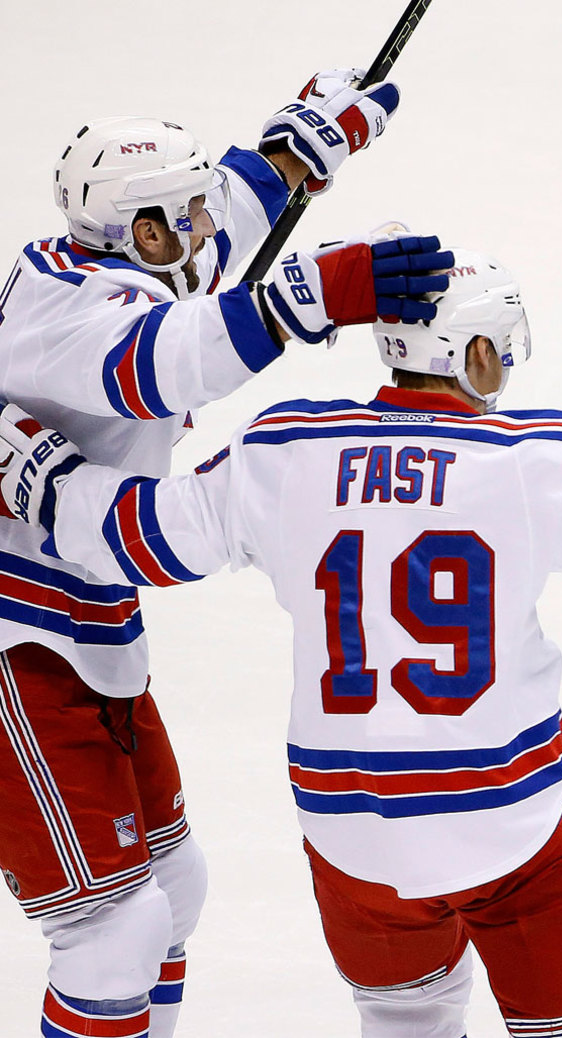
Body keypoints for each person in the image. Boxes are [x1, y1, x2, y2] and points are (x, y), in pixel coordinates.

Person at [0, 246, 562, 1037]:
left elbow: (138, 536)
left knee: (406, 1019)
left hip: (351, 840)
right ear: (476, 352)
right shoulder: (537, 457)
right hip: (507, 827)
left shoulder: (283, 450)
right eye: (502, 346)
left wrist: (37, 470)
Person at [0, 70, 452, 1038]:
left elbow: (222, 242)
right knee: (111, 932)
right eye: (186, 214)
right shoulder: (66, 316)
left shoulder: (135, 256)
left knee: (173, 889)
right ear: (144, 232)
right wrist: (312, 296)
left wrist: (299, 149)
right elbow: (164, 362)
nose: (206, 227)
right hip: (16, 639)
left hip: (83, 623)